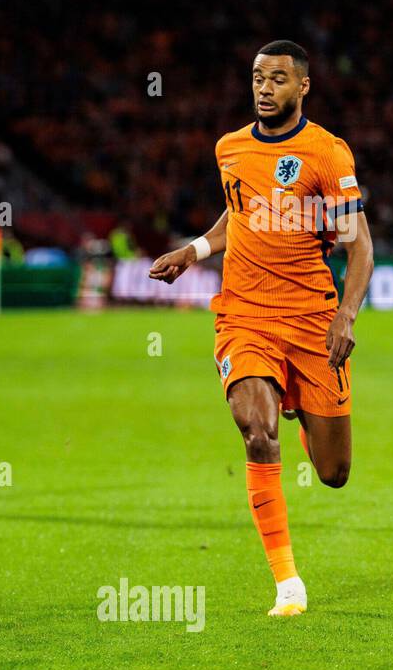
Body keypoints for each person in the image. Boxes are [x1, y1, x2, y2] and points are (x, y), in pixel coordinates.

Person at [149, 41, 374, 616]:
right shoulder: (229, 148)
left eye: (277, 78)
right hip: (244, 314)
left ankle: (300, 406)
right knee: (254, 428)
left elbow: (359, 244)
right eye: (257, 77)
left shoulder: (326, 154)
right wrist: (195, 249)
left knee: (334, 473)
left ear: (303, 86)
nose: (264, 88)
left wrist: (346, 315)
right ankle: (287, 584)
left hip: (312, 320)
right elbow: (242, 211)